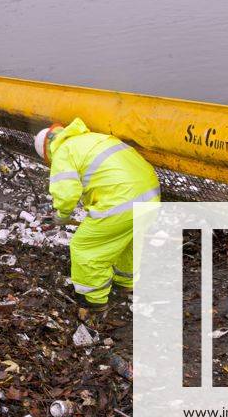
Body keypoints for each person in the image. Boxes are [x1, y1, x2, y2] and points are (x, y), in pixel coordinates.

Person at [34, 117, 161, 320]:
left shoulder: (62, 152)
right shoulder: (91, 138)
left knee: (85, 248)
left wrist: (61, 215)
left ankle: (94, 302)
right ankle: (125, 285)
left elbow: (66, 192)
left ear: (47, 153)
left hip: (121, 204)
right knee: (127, 241)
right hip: (150, 196)